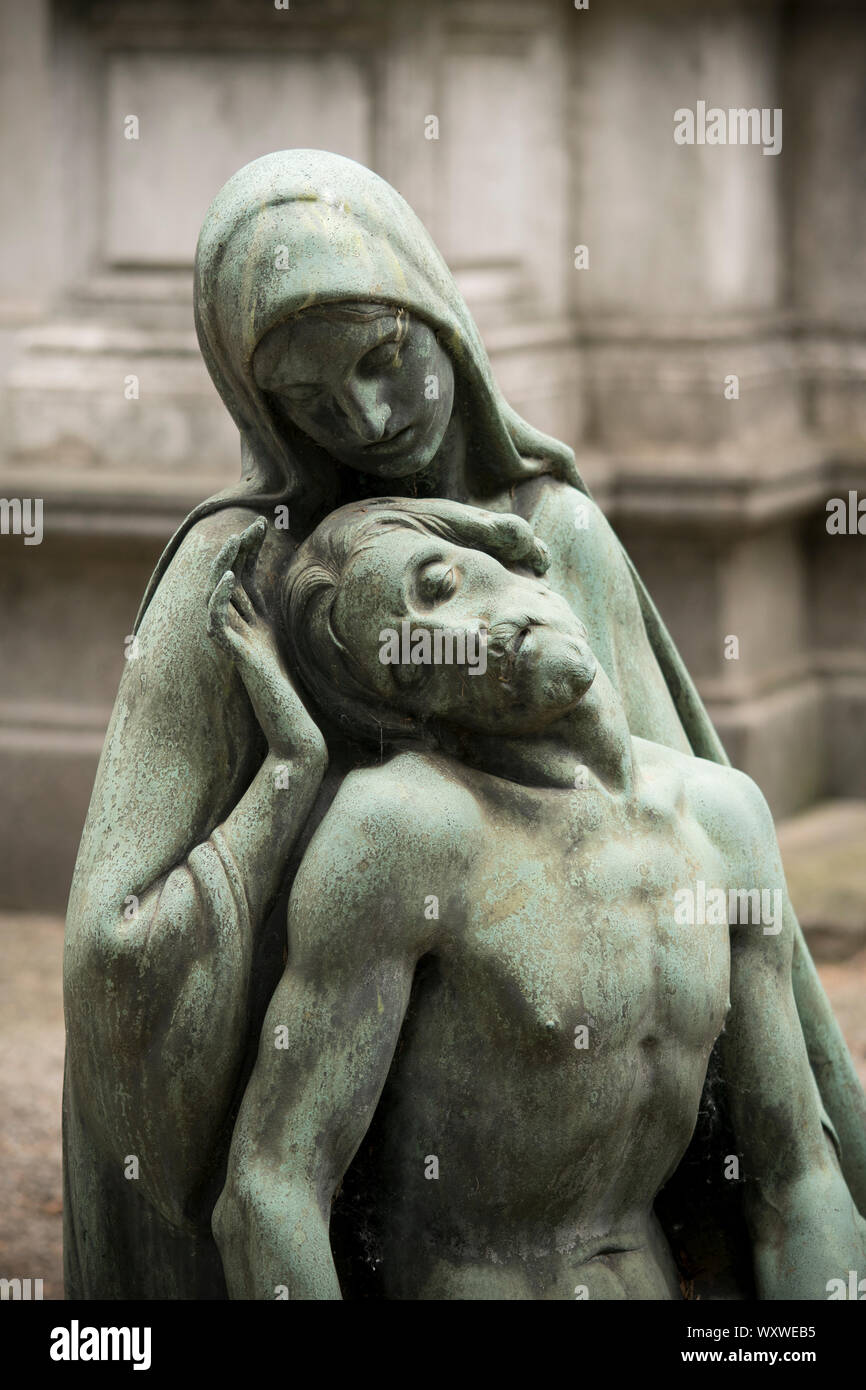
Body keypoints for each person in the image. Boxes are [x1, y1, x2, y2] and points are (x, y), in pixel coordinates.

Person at [63, 150, 866, 1299]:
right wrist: (290, 775)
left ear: (437, 312)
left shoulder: (561, 538)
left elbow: (672, 887)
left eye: (386, 359)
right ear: (260, 407)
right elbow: (117, 962)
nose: (368, 415)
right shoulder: (235, 585)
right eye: (311, 398)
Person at [211, 497, 866, 1300]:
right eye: (411, 665)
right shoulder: (410, 831)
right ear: (416, 714)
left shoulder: (726, 820)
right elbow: (271, 1188)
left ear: (516, 556)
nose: (456, 641)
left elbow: (795, 1177)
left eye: (440, 581)